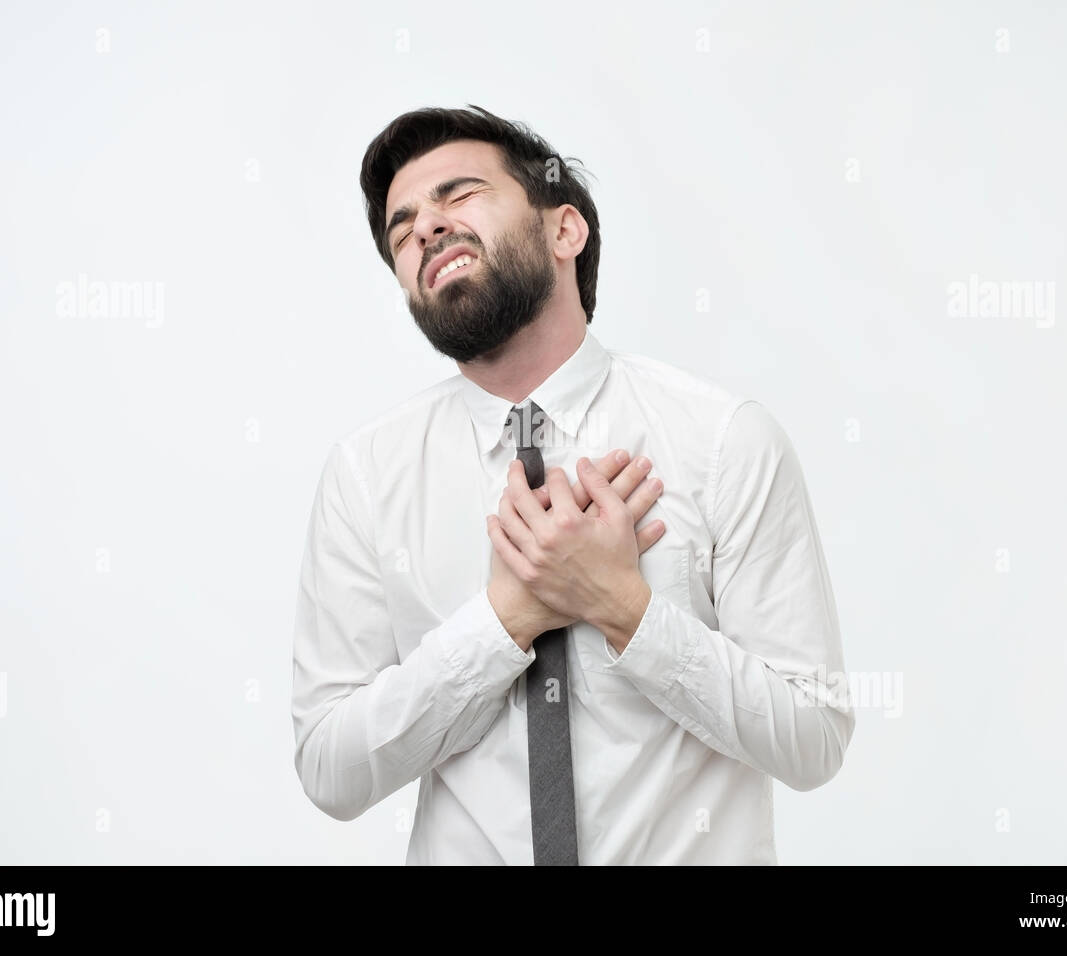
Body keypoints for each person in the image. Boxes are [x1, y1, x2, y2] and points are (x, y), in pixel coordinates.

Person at [291, 104, 854, 865]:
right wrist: (503, 622)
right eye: (402, 228)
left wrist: (623, 608)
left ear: (565, 231)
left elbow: (813, 739)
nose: (424, 227)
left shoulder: (723, 441)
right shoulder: (366, 476)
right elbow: (331, 768)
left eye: (458, 196)